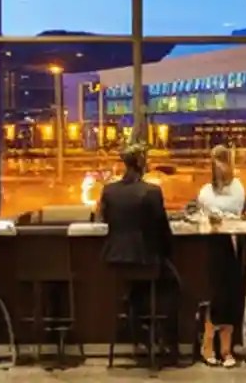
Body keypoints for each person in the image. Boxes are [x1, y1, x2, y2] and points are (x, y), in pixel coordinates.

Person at [99, 144, 179, 353]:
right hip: (145, 259)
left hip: (115, 259)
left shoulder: (109, 191)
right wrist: (169, 253)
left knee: (135, 288)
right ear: (142, 164)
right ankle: (166, 341)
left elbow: (104, 220)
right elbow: (162, 229)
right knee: (174, 285)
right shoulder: (152, 192)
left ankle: (137, 328)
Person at [196, 145, 246, 368]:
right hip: (209, 245)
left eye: (222, 160)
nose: (218, 165)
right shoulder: (206, 190)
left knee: (229, 295)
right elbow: (205, 207)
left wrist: (218, 213)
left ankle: (227, 348)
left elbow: (231, 209)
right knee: (211, 295)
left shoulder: (237, 188)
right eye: (214, 161)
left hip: (231, 244)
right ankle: (208, 343)